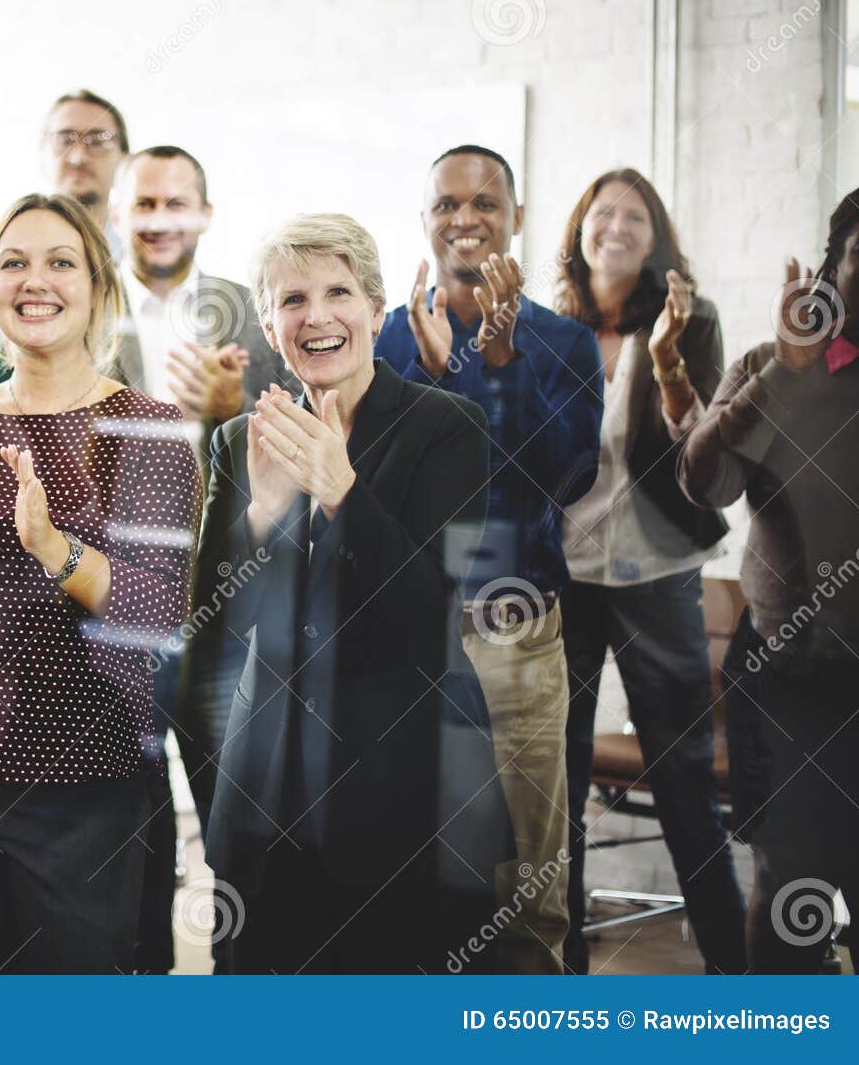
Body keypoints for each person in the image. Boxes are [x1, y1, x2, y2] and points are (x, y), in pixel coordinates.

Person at [0, 192, 201, 973]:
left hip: (88, 774)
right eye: (13, 262)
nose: (35, 280)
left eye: (60, 262)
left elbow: (157, 612)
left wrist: (54, 548)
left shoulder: (147, 431)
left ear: (97, 288)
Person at [200, 212, 511, 973]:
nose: (317, 316)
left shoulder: (447, 426)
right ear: (272, 328)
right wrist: (262, 515)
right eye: (292, 299)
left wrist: (342, 492)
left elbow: (426, 614)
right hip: (269, 782)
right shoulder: (241, 439)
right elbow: (208, 619)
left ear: (376, 312)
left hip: (411, 787)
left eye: (339, 292)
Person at [374, 145, 603, 973]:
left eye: (483, 203)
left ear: (516, 218)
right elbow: (377, 491)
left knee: (525, 887)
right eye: (445, 204)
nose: (464, 220)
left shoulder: (564, 344)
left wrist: (494, 368)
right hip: (406, 640)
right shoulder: (383, 338)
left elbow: (567, 478)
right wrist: (435, 382)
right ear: (425, 218)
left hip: (515, 637)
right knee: (416, 873)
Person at [553, 168, 745, 974]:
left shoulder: (688, 321)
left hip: (659, 570)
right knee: (557, 782)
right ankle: (559, 963)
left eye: (636, 216)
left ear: (655, 236)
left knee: (684, 778)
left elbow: (703, 452)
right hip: (564, 571)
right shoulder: (545, 326)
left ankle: (735, 972)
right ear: (580, 230)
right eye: (604, 213)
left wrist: (666, 364)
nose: (618, 226)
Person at [111, 144, 297, 971]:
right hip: (114, 610)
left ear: (206, 214)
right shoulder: (83, 303)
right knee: (132, 834)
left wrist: (235, 410)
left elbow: (299, 428)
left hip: (229, 608)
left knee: (241, 825)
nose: (159, 219)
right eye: (144, 203)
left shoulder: (249, 309)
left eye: (176, 203)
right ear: (119, 216)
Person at [680, 188, 859, 972]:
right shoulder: (766, 366)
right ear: (832, 269)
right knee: (791, 889)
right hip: (793, 681)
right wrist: (785, 374)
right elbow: (704, 483)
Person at [0, 90, 129, 393]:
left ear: (124, 159)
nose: (78, 156)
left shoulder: (146, 256)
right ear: (41, 153)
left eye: (98, 140)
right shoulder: (2, 250)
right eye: (64, 139)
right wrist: (29, 334)